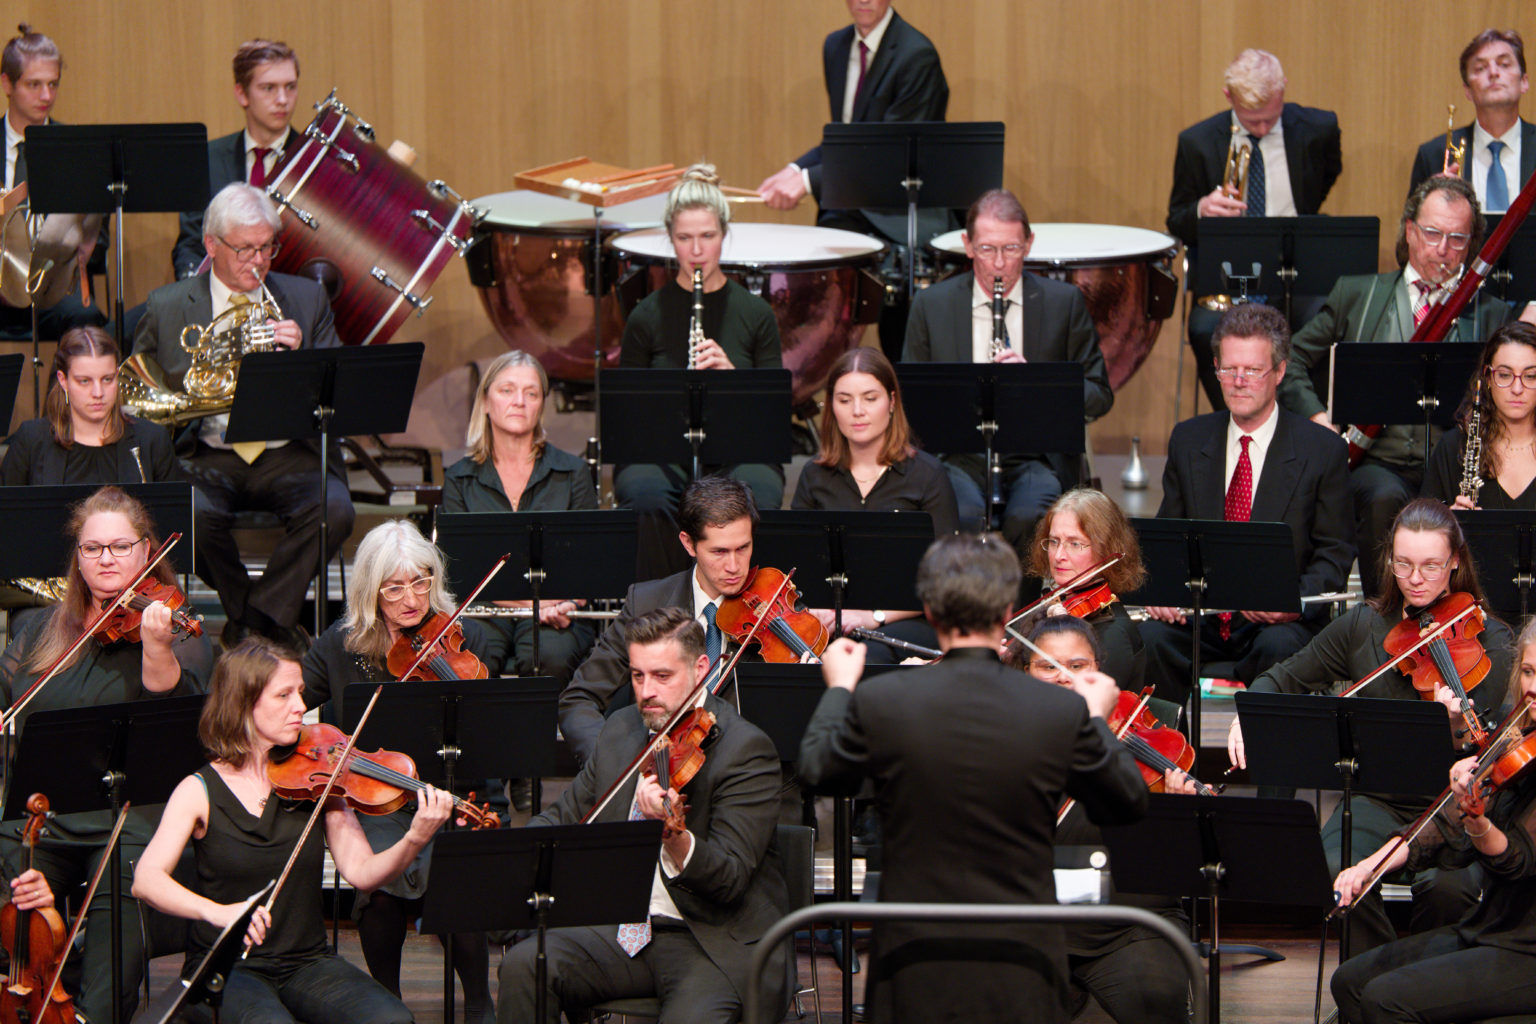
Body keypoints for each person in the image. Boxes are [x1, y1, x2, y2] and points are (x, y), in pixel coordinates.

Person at [799, 533, 1147, 1023]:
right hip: (1021, 960)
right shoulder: (1057, 709)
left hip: (913, 960)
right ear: (1006, 611)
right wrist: (1094, 719)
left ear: (929, 610)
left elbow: (818, 768)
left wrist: (839, 689)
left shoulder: (884, 699)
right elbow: (1127, 801)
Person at [1229, 497, 1514, 960]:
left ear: (1455, 563)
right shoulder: (1364, 626)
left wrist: (1457, 731)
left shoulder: (1491, 641)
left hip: (1455, 807)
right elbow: (1282, 677)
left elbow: (1497, 748)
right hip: (1377, 799)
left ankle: (1424, 984)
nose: (1415, 579)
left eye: (1430, 566)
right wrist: (1248, 713)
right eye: (1403, 564)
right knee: (1334, 867)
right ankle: (1375, 978)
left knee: (1448, 891)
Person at [133, 637, 453, 1024]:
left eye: (300, 692)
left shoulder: (317, 781)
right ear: (243, 703)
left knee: (393, 1020)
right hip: (227, 965)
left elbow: (363, 872)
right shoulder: (198, 790)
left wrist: (415, 837)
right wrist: (219, 913)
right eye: (284, 695)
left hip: (307, 962)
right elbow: (146, 880)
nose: (301, 706)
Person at [496, 607, 789, 1024]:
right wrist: (505, 849)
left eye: (662, 676)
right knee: (525, 966)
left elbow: (729, 879)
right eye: (637, 676)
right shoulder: (621, 729)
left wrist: (673, 836)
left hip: (708, 940)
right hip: (624, 931)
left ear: (701, 669)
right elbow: (565, 815)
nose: (646, 691)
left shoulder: (744, 750)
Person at [0, 485, 212, 1023]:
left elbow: (177, 719)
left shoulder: (177, 630)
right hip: (45, 814)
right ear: (78, 557)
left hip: (131, 816)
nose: (106, 559)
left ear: (146, 552)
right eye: (93, 548)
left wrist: (157, 650)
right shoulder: (41, 630)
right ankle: (47, 989)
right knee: (8, 878)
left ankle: (95, 1013)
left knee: (122, 887)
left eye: (120, 547)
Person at [134, 182, 355, 649]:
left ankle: (256, 618)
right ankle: (254, 614)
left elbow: (339, 391)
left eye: (267, 247)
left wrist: (303, 359)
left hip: (286, 452)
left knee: (335, 509)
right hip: (206, 451)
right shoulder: (167, 306)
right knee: (184, 515)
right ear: (211, 245)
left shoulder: (306, 299)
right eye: (245, 249)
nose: (258, 261)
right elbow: (140, 392)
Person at [297, 519, 500, 1022]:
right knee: (380, 892)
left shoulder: (465, 635)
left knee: (457, 882)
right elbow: (290, 700)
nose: (411, 599)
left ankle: (479, 1004)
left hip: (451, 789)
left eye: (420, 582)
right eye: (393, 588)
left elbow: (493, 730)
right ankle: (385, 1001)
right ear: (370, 590)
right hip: (375, 797)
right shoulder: (341, 645)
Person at [1281, 175, 1521, 589]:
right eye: (1432, 233)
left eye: (1457, 239)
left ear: (1472, 245)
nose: (1442, 249)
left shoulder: (1491, 312)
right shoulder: (1357, 294)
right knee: (1384, 499)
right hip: (1377, 462)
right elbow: (1290, 360)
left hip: (1455, 462)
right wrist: (1320, 419)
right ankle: (1385, 614)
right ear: (1409, 230)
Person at [1142, 303, 1354, 704]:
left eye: (1253, 370)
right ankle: (1168, 744)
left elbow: (1335, 553)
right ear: (1216, 367)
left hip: (1278, 622)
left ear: (1279, 372)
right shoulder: (1188, 439)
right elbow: (1168, 536)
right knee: (1148, 639)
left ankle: (1261, 746)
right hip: (1201, 617)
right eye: (1229, 369)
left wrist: (1291, 603)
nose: (1238, 382)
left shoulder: (1322, 450)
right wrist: (1162, 590)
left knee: (1280, 648)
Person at [1330, 617, 1536, 1023]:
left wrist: (1477, 821)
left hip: (1527, 947)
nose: (1533, 687)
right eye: (1528, 672)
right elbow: (1439, 827)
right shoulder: (1517, 735)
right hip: (1492, 927)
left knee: (1385, 999)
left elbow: (1517, 862)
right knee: (1349, 982)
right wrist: (1369, 866)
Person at [902, 188, 1112, 556]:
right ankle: (962, 596)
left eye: (1011, 249)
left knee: (1030, 517)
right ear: (968, 246)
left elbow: (1099, 394)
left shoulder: (1063, 303)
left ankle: (1024, 597)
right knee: (961, 516)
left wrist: (1037, 385)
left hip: (1035, 455)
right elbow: (908, 399)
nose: (999, 263)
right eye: (987, 249)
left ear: (1029, 244)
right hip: (956, 455)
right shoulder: (930, 305)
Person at [1019, 615, 1193, 1024]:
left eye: (1077, 665)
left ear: (1099, 669)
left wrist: (1178, 817)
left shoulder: (1141, 739)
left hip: (1125, 924)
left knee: (1156, 996)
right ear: (1025, 673)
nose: (1064, 677)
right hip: (1031, 921)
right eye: (1047, 666)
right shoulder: (1003, 734)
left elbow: (1172, 865)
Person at [756, 0, 949, 360]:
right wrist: (796, 169)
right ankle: (819, 370)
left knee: (893, 311)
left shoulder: (917, 55)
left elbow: (891, 153)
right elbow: (846, 139)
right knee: (812, 277)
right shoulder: (836, 45)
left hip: (897, 208)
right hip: (854, 204)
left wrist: (809, 182)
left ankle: (897, 382)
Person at [617, 164, 783, 579]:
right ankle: (661, 605)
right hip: (662, 450)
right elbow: (626, 414)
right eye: (684, 238)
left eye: (707, 236)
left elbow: (773, 416)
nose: (696, 250)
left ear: (723, 234)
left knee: (761, 492)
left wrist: (731, 380)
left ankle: (750, 606)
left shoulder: (756, 314)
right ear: (670, 237)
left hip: (739, 448)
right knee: (644, 494)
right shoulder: (646, 315)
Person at [1166, 49, 1343, 410]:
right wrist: (1202, 209)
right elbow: (1177, 219)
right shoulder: (1197, 142)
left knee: (1330, 324)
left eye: (1269, 119)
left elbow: (1327, 176)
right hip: (1229, 275)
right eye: (1252, 122)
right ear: (1228, 97)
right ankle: (1237, 421)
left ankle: (1305, 421)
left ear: (1283, 90)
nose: (1261, 130)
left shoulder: (1320, 129)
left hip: (1298, 271)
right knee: (1204, 329)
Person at [560, 476, 761, 767]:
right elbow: (579, 698)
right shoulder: (645, 603)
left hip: (745, 775)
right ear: (689, 544)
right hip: (662, 771)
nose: (734, 566)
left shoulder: (776, 607)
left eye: (743, 548)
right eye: (719, 552)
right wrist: (613, 766)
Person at [441, 349, 598, 683]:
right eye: (507, 390)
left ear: (541, 405)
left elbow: (589, 562)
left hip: (557, 608)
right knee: (471, 657)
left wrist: (568, 603)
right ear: (486, 401)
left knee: (551, 656)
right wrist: (532, 605)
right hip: (485, 608)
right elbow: (460, 571)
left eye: (531, 393)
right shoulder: (459, 477)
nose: (519, 402)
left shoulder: (573, 472)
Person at [791, 345, 955, 662]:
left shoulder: (927, 475)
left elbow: (946, 578)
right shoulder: (814, 475)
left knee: (867, 656)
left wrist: (873, 616)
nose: (857, 411)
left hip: (908, 619)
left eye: (870, 398)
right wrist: (820, 611)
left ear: (891, 402)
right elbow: (799, 567)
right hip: (832, 619)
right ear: (831, 406)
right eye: (844, 400)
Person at [0, 24, 106, 339]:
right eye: (34, 84)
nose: (46, 96)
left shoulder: (77, 151)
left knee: (85, 317)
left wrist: (70, 252)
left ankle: (67, 377)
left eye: (53, 84)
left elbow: (99, 241)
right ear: (6, 83)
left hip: (55, 286)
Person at [172, 40, 300, 280]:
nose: (283, 99)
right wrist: (191, 288)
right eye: (269, 88)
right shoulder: (206, 160)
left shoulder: (313, 160)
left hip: (291, 291)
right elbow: (191, 243)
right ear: (242, 94)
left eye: (290, 87)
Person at [1, 325, 177, 485]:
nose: (98, 393)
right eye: (84, 381)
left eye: (107, 379)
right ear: (63, 380)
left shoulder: (153, 440)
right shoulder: (31, 440)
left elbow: (172, 509)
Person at [1021, 488, 1149, 692]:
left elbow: (1074, 705)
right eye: (1054, 542)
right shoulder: (1057, 604)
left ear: (1106, 549)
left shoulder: (1114, 636)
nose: (1058, 556)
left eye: (1075, 544)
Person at [1409, 29, 1534, 209]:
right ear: (1467, 90)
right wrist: (1430, 203)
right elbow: (1412, 226)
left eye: (1504, 64)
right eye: (1480, 68)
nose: (1493, 72)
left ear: (1524, 82)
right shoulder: (1434, 155)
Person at [1425, 321, 1536, 508]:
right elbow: (1422, 523)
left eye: (1531, 376)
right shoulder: (1453, 447)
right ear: (1488, 377)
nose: (1517, 389)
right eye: (1504, 375)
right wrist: (1449, 520)